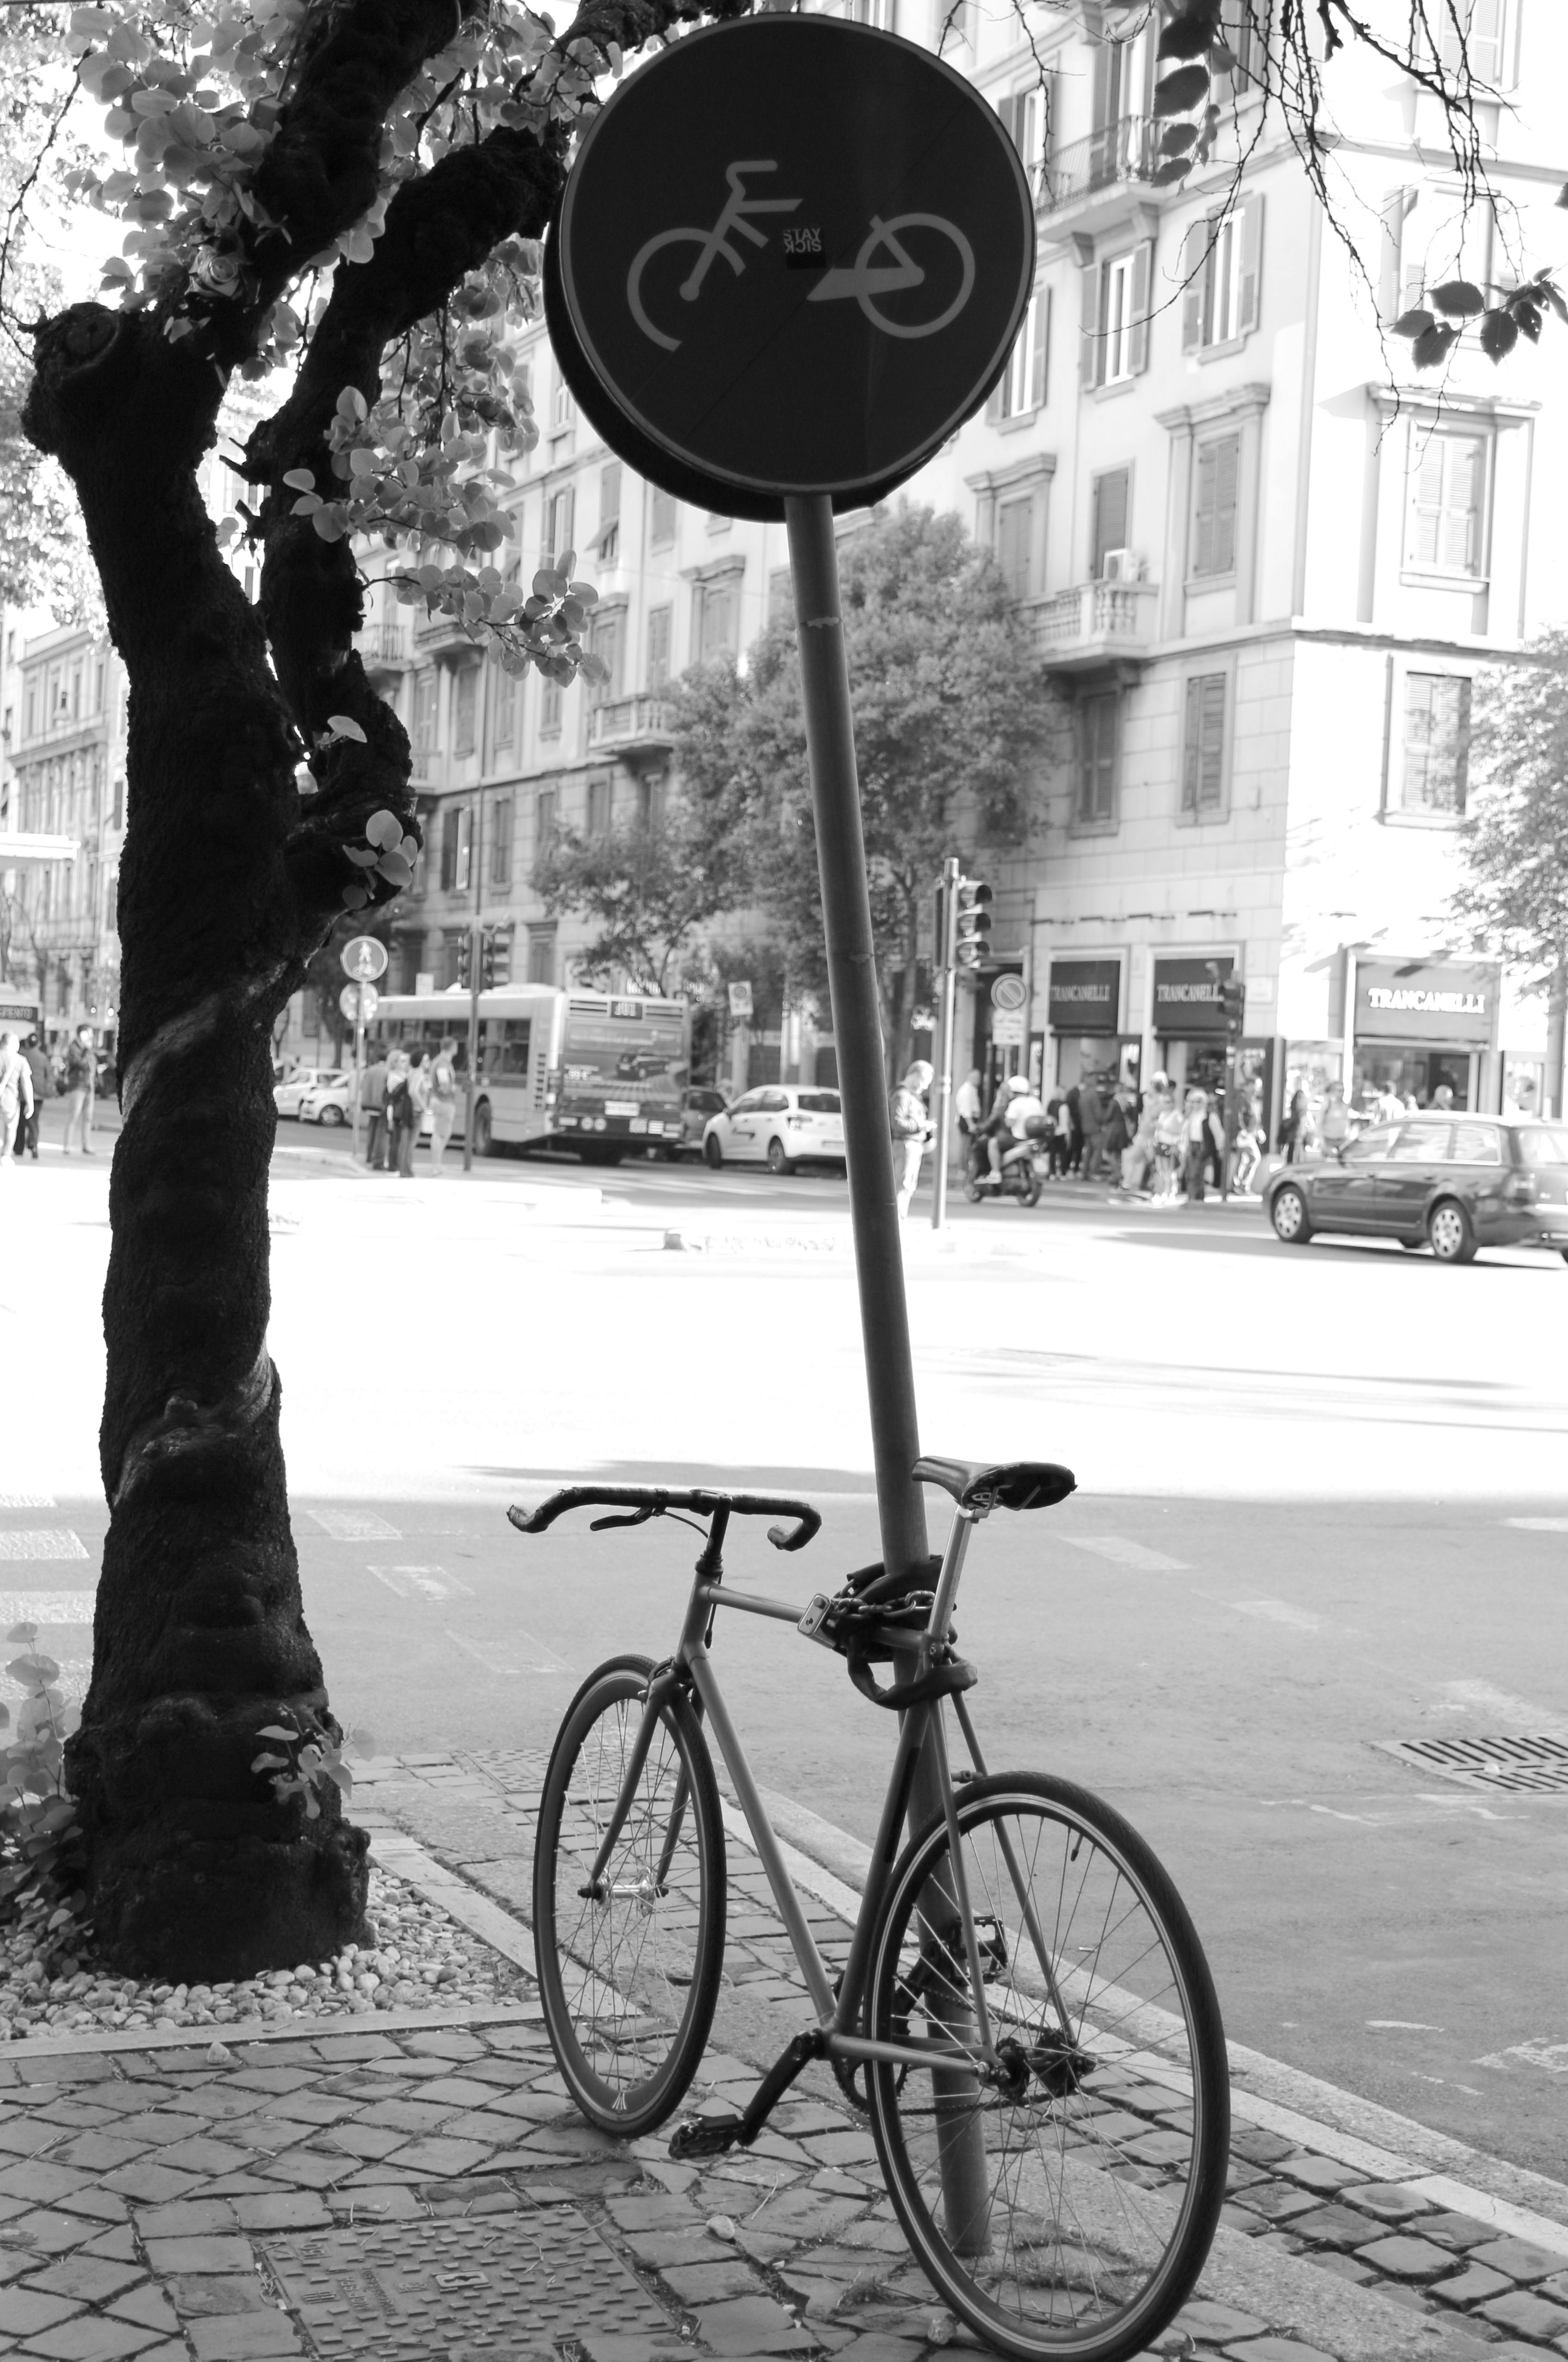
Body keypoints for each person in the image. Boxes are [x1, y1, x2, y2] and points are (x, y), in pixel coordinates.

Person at [889, 1059, 932, 1220]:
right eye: (925, 1082)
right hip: (905, 1145)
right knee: (902, 1185)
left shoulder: (911, 1096)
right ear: (915, 1076)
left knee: (908, 1186)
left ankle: (900, 1219)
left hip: (912, 1145)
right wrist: (920, 1125)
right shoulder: (902, 1095)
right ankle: (897, 1222)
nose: (926, 1087)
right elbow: (897, 1123)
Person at [0, 1033, 33, 1173]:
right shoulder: (20, 1060)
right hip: (10, 1100)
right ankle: (5, 1156)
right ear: (13, 1044)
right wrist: (30, 1103)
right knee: (10, 1128)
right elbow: (26, 1083)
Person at [427, 1037, 460, 1173]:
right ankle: (436, 1165)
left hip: (438, 1100)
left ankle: (437, 1164)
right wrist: (451, 1089)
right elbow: (444, 1082)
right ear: (452, 1047)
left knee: (441, 1132)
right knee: (441, 1134)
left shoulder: (438, 1061)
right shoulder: (443, 1063)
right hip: (443, 1101)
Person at [14, 1034, 49, 1161]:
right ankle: (33, 1145)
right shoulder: (43, 1057)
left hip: (23, 1094)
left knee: (21, 1121)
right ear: (39, 1044)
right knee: (34, 1121)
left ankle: (19, 1147)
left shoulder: (22, 1055)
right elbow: (49, 1075)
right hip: (38, 1095)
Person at [61, 1025, 95, 1155]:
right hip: (78, 1085)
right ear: (83, 1033)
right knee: (73, 1116)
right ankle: (67, 1145)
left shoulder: (89, 1047)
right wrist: (87, 1051)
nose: (92, 1035)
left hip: (89, 1085)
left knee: (88, 1117)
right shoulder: (74, 1047)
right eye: (90, 1032)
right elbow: (78, 1063)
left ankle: (86, 1145)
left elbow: (92, 1064)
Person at [1181, 1087, 1214, 1203]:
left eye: (1199, 1101)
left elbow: (1218, 1133)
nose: (1196, 1104)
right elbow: (1185, 1132)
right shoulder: (1190, 1116)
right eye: (1194, 1102)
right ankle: (1191, 1197)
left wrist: (1219, 1148)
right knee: (1190, 1173)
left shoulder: (1209, 1116)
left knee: (1197, 1173)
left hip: (1202, 1146)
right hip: (1192, 1145)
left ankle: (1197, 1197)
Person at [359, 1052, 389, 1169]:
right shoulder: (387, 1071)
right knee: (381, 1133)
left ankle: (369, 1155)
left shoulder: (370, 1070)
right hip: (381, 1105)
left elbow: (362, 1086)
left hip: (368, 1104)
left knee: (372, 1129)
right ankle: (378, 1159)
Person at [954, 1068, 982, 1145]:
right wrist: (971, 1125)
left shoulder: (972, 1089)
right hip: (967, 1121)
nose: (979, 1080)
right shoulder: (966, 1091)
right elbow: (966, 1109)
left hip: (970, 1120)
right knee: (966, 1145)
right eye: (977, 1078)